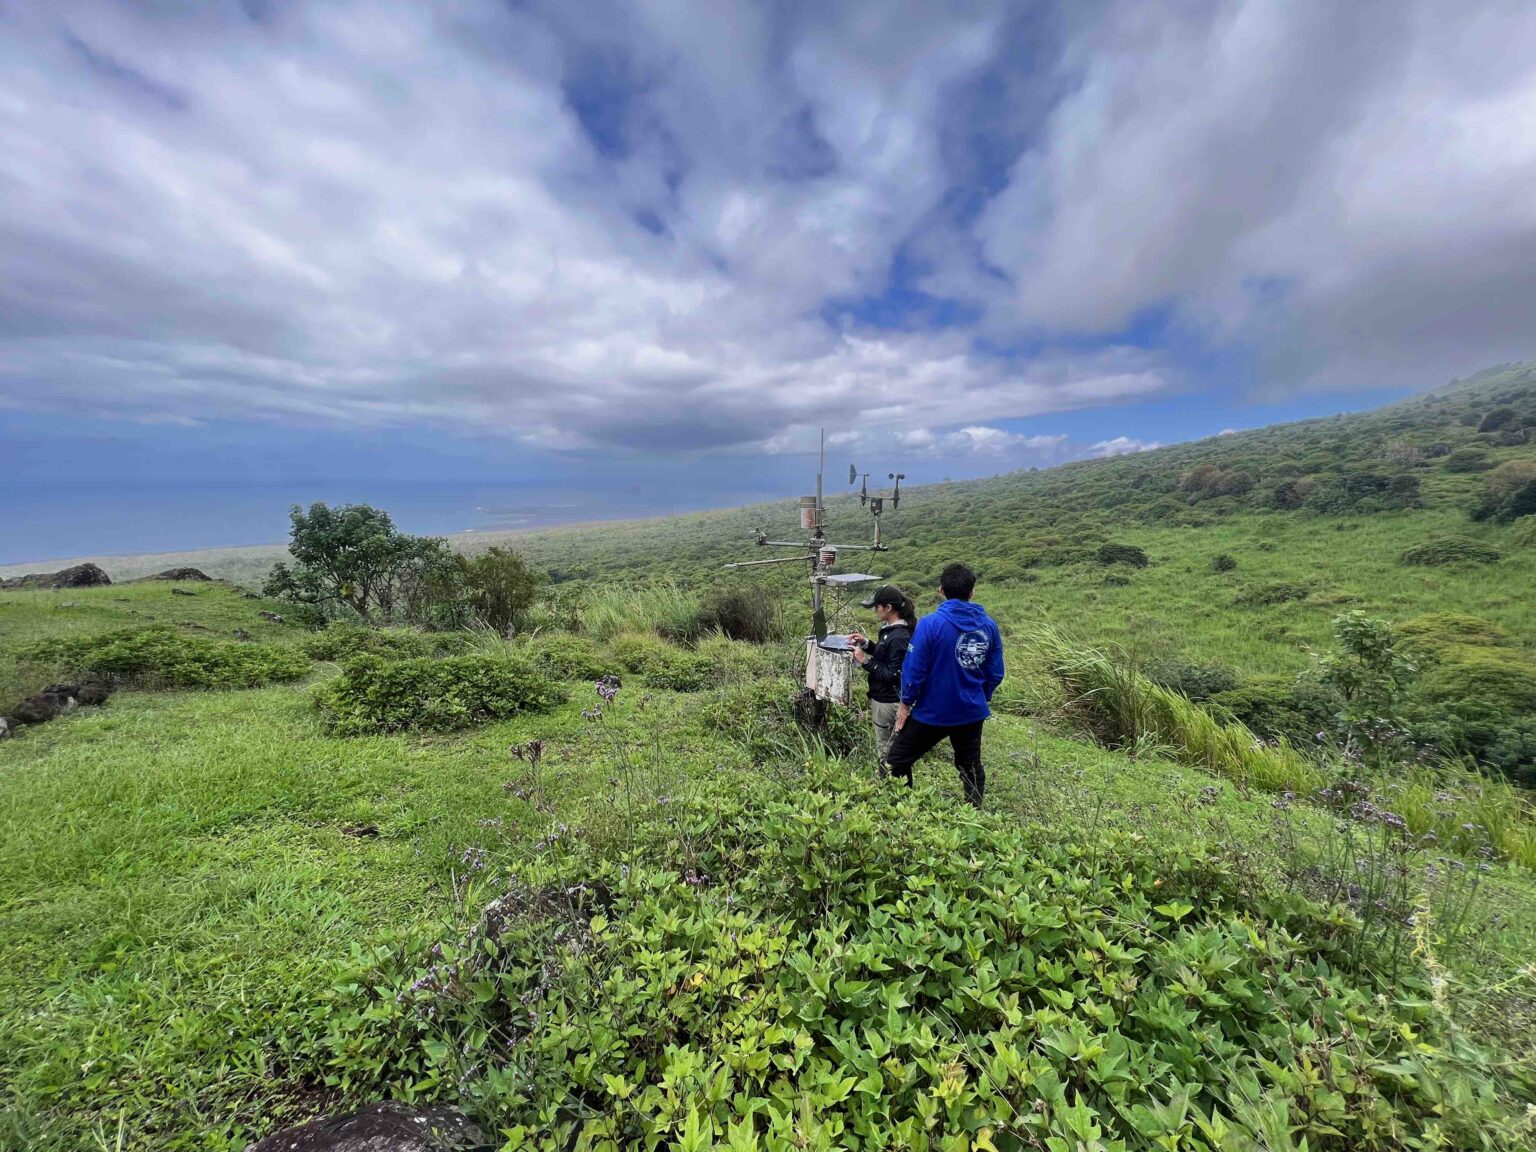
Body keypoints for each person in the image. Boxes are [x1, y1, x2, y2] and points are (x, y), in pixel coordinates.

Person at [884, 562, 1004, 806]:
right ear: (972, 592)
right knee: (970, 765)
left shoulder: (930, 624)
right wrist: (981, 696)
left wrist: (906, 702)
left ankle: (902, 808)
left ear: (941, 590)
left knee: (896, 761)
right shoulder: (989, 626)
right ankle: (973, 811)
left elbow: (914, 669)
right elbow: (995, 672)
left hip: (932, 712)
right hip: (971, 711)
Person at [847, 585, 915, 765]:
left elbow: (893, 674)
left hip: (887, 701)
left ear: (889, 608)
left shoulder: (899, 636)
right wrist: (867, 644)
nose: (875, 611)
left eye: (877, 606)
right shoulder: (891, 630)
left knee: (885, 748)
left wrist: (865, 661)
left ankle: (887, 784)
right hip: (884, 697)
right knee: (887, 745)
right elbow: (886, 656)